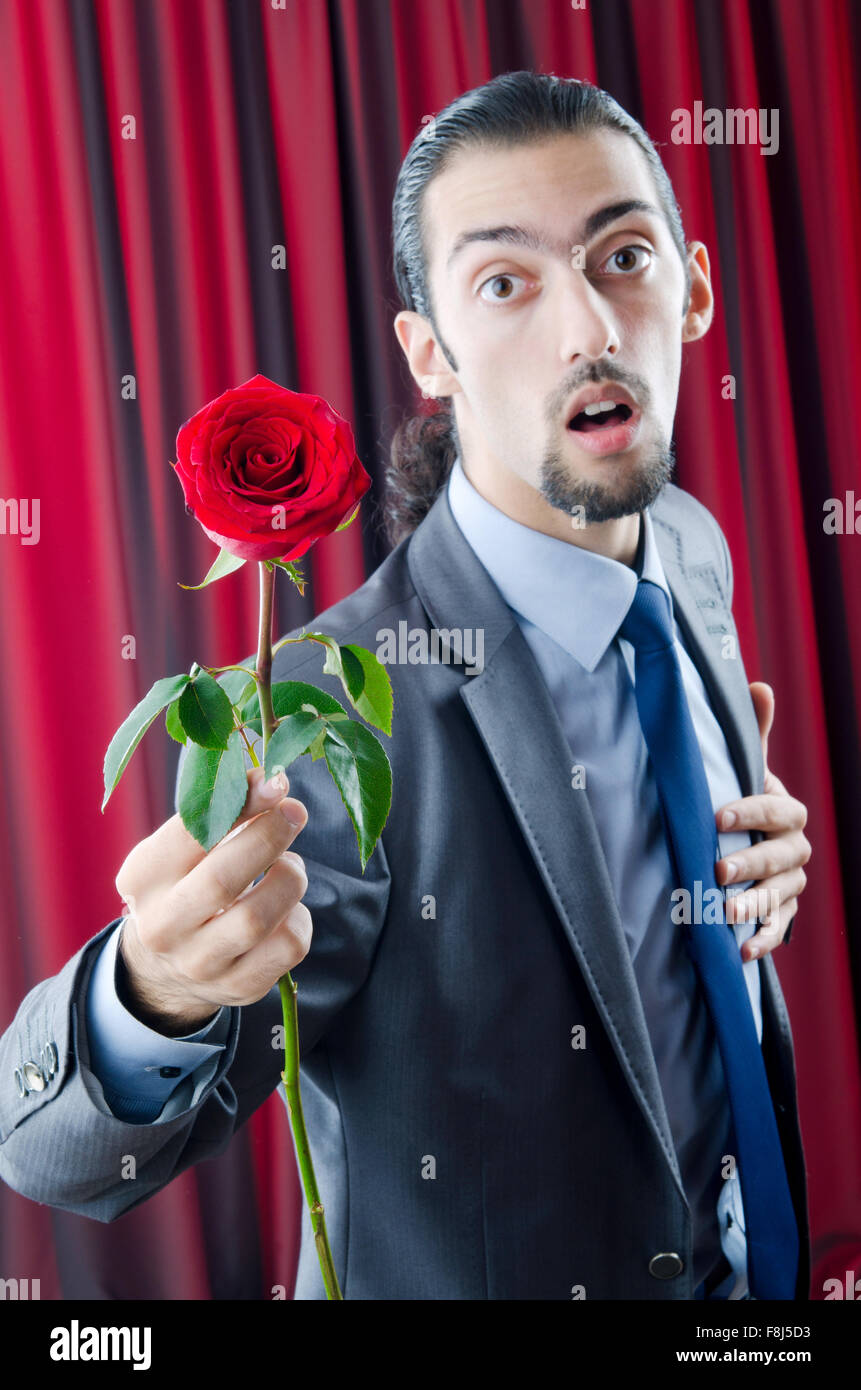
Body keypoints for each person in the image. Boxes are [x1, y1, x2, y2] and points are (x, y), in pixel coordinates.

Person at [0, 72, 811, 1300]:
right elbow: (48, 1152)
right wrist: (148, 996)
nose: (588, 328)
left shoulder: (689, 543)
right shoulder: (336, 711)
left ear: (693, 286)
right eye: (505, 282)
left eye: (623, 256)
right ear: (429, 351)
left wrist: (736, 856)